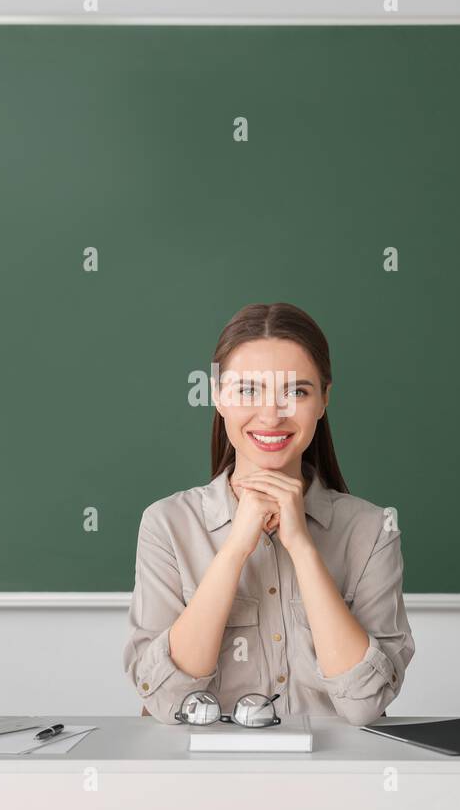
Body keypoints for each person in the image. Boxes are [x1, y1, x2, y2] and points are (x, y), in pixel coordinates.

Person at [122, 302, 415, 727]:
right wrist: (236, 547)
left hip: (339, 780)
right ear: (218, 396)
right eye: (248, 390)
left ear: (323, 400)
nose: (272, 414)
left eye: (296, 392)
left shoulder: (372, 530)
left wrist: (301, 545)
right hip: (205, 779)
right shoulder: (167, 524)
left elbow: (364, 703)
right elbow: (169, 700)